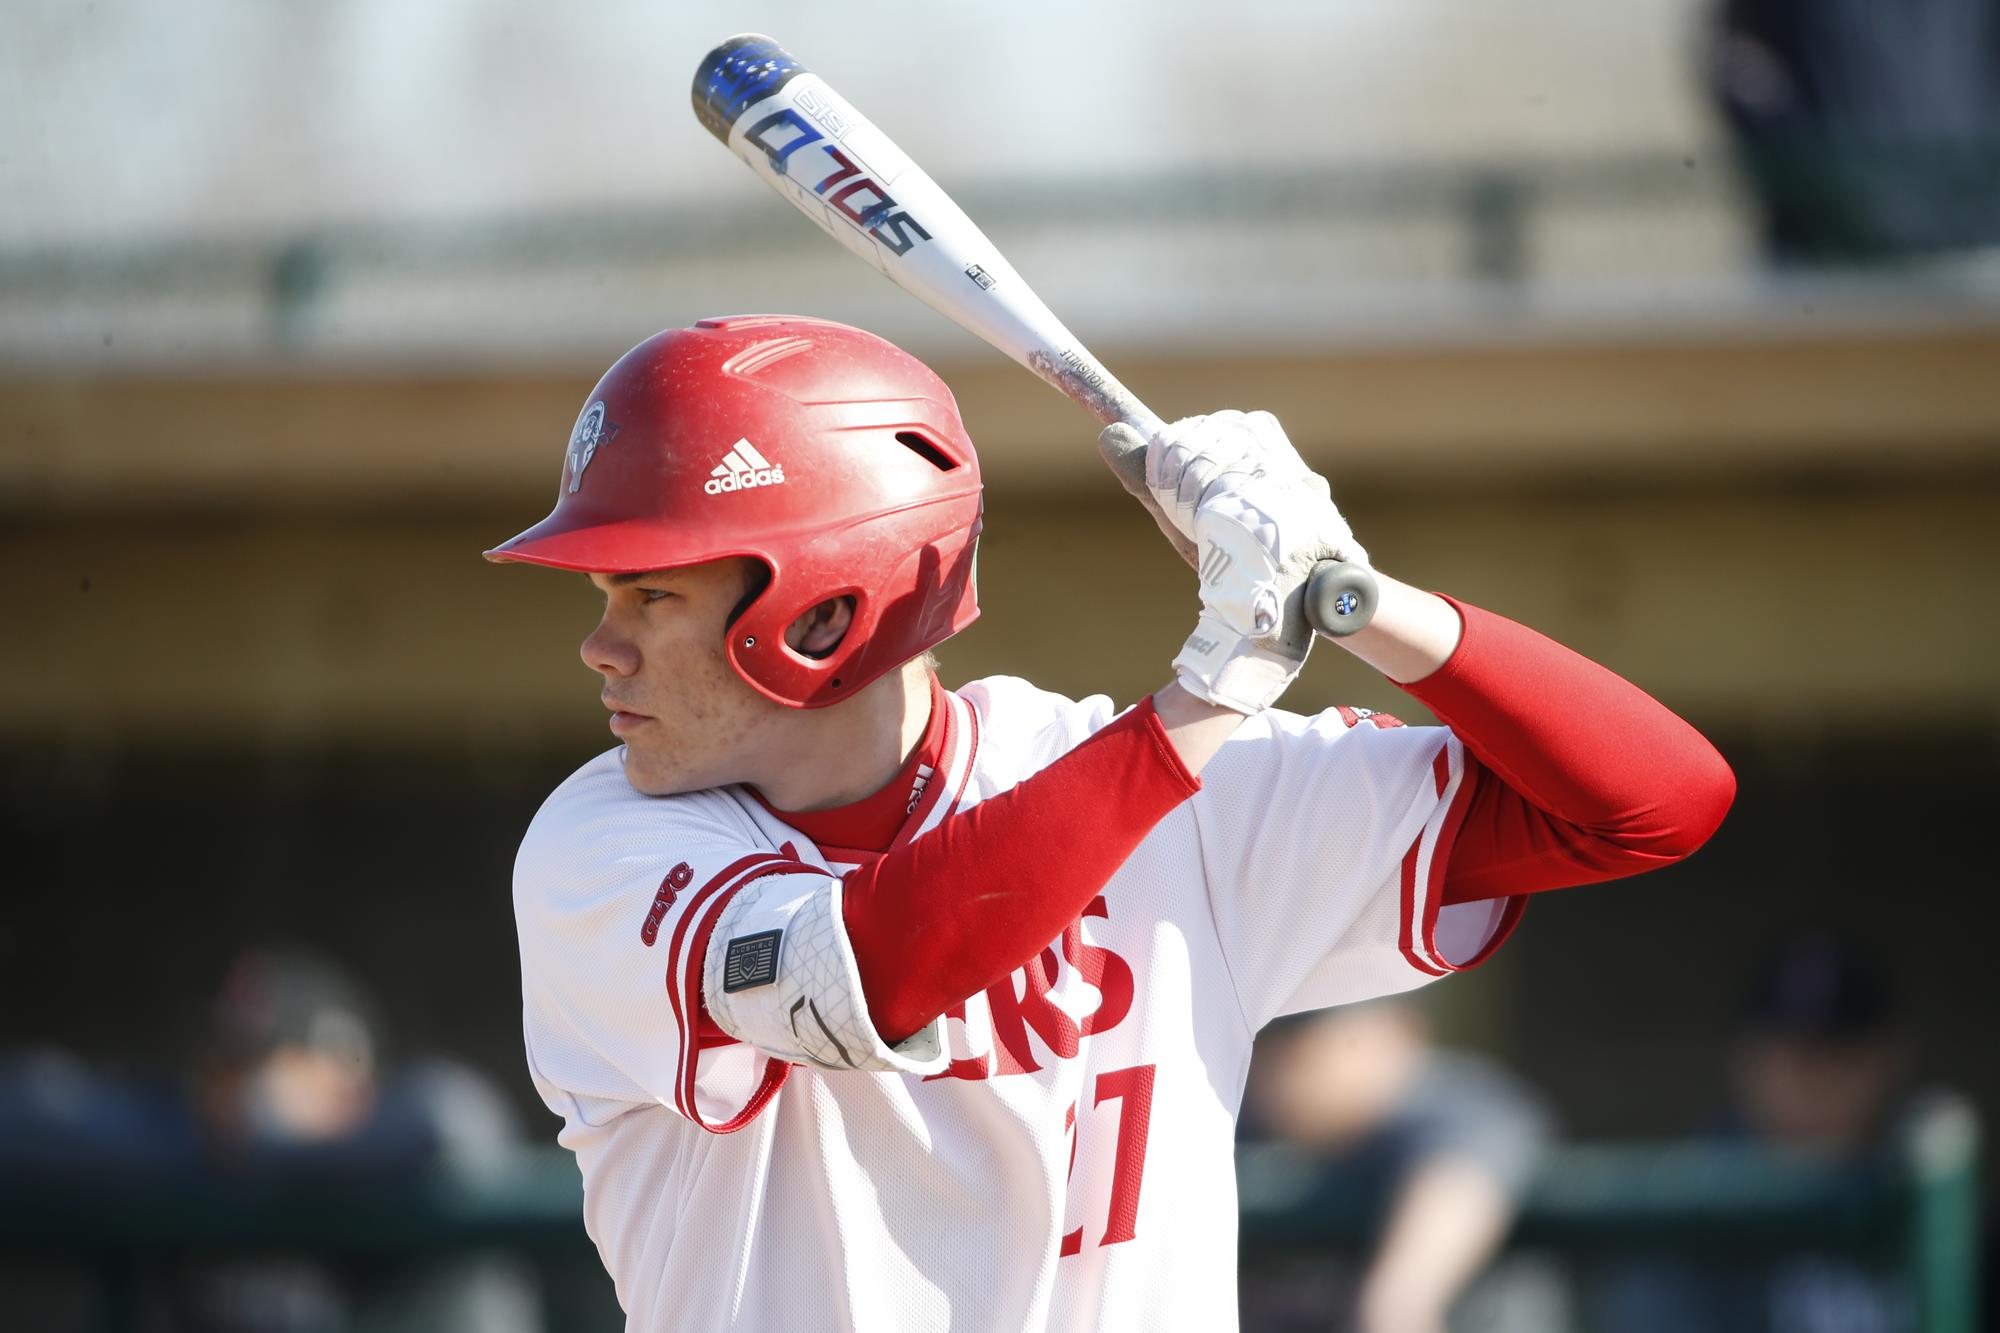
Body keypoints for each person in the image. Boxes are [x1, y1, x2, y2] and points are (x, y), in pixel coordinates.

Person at [490, 314, 1735, 1331]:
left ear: (818, 613)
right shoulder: (601, 848)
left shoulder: (1146, 786)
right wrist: (1211, 691)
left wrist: (1353, 598)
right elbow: (877, 965)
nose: (600, 649)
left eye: (649, 595)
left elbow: (1651, 805)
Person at [1240, 1000, 1565, 1333]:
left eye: (1304, 1042)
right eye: (1270, 1044)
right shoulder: (1239, 1121)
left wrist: (1398, 1301)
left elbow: (1398, 1307)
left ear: (1396, 1031)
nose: (1283, 1066)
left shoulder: (1459, 1102)